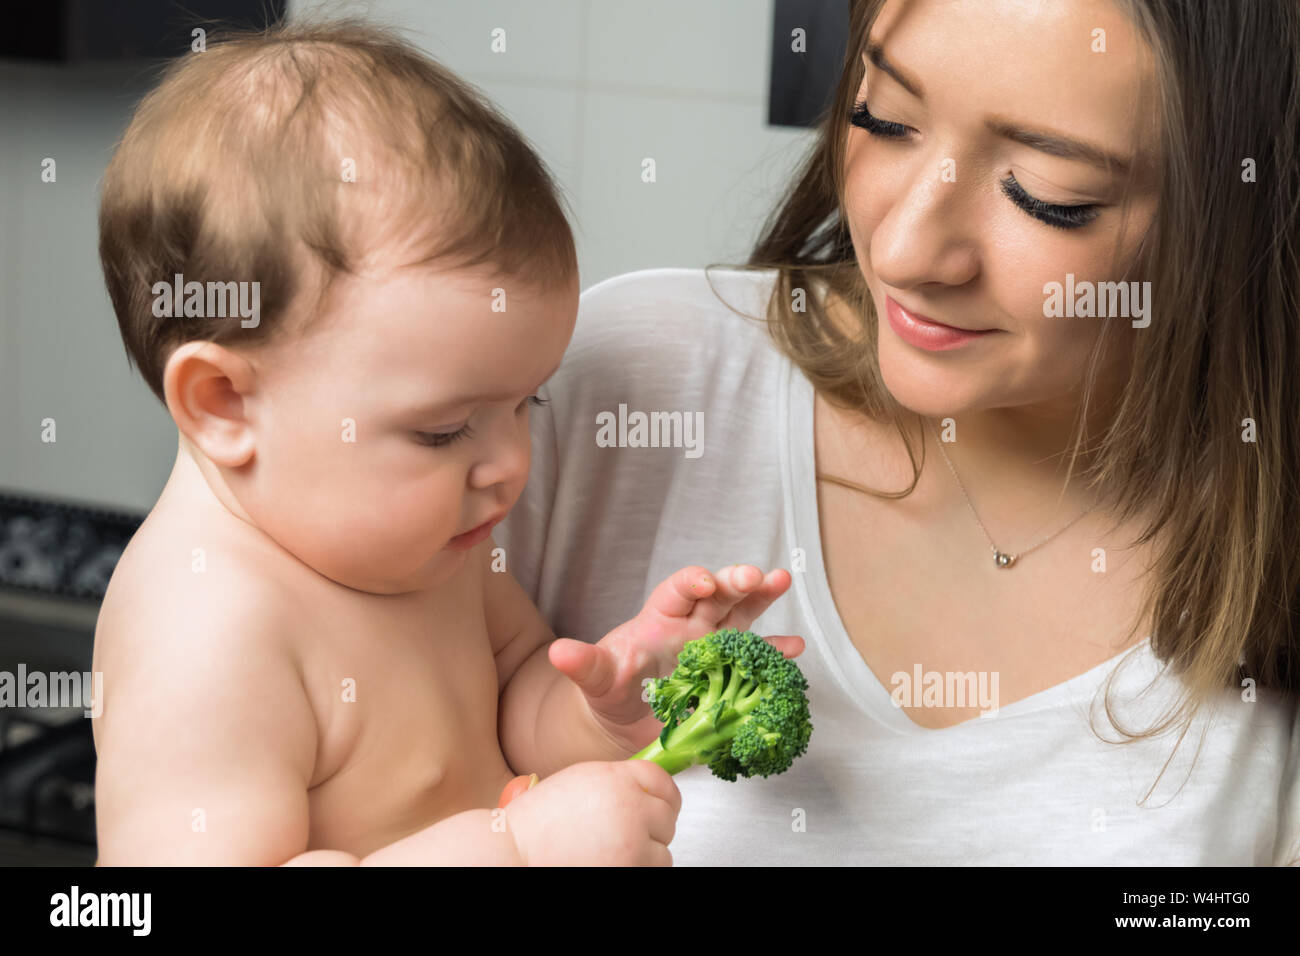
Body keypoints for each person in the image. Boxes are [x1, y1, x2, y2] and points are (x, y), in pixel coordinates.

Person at [499, 0, 1300, 864]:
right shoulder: (610, 386)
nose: (907, 251)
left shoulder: (1270, 554)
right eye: (883, 118)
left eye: (1048, 196)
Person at [90, 20, 799, 865]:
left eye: (525, 401)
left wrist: (603, 709)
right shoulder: (208, 630)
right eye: (443, 430)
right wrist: (519, 850)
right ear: (223, 405)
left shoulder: (434, 550)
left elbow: (512, 702)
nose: (508, 467)